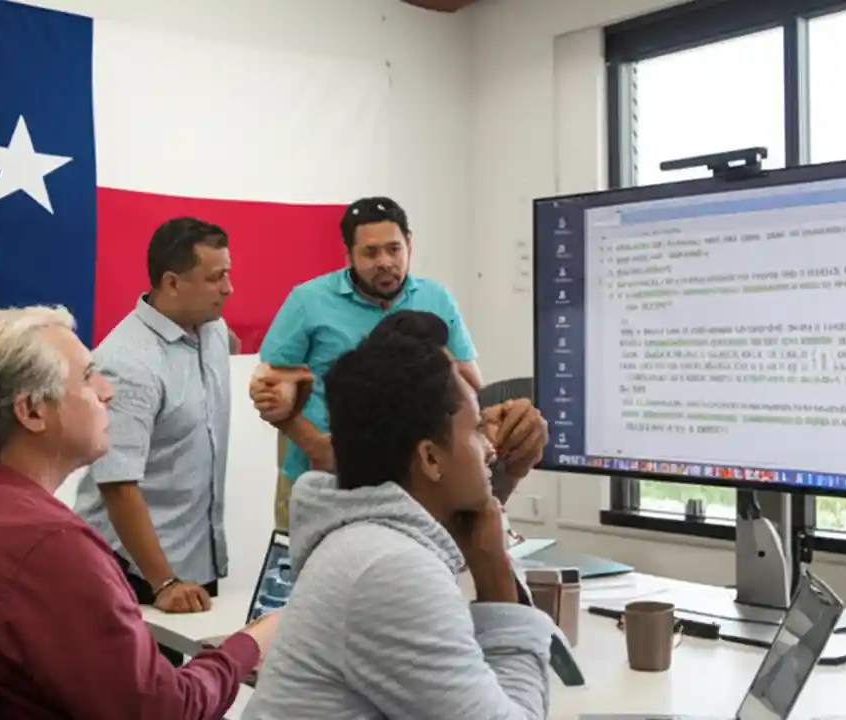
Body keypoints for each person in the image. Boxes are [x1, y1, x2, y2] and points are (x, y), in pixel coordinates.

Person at [0, 306, 276, 719]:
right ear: (32, 411)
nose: (107, 392)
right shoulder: (51, 547)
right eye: (88, 377)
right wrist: (249, 644)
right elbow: (166, 712)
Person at [244, 332, 554, 719]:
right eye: (476, 429)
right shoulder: (390, 568)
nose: (489, 448)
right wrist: (493, 569)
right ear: (431, 459)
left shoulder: (368, 539)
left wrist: (495, 493)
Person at [253, 197, 539, 528]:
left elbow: (468, 381)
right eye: (371, 253)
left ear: (409, 245)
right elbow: (271, 386)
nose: (385, 262)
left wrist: (486, 429)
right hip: (322, 478)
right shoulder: (308, 301)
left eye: (394, 249)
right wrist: (316, 446)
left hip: (412, 485)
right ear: (348, 255)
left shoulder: (436, 298)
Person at [73, 217, 233, 616]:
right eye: (215, 278)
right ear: (172, 283)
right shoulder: (127, 364)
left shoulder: (211, 330)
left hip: (195, 559)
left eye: (227, 273)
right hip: (132, 571)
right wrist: (164, 582)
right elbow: (117, 484)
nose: (228, 288)